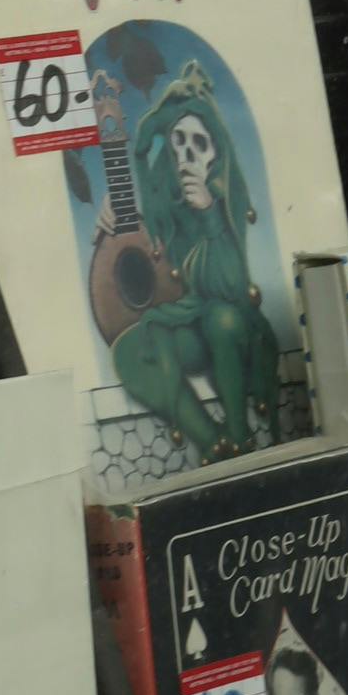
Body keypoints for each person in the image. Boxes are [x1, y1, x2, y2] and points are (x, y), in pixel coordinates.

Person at [111, 59, 280, 461]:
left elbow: (231, 287)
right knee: (129, 350)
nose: (187, 154)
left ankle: (239, 433)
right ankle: (213, 441)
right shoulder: (164, 204)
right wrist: (111, 214)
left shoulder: (224, 200)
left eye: (198, 144)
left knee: (222, 318)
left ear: (214, 153)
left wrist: (208, 213)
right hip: (190, 324)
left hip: (232, 326)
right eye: (178, 142)